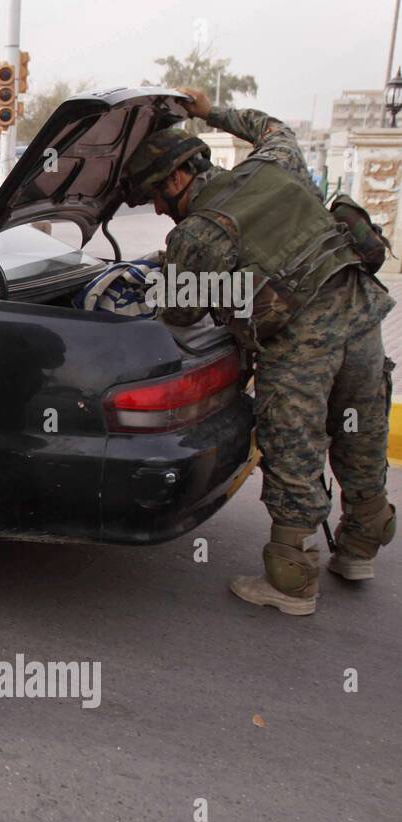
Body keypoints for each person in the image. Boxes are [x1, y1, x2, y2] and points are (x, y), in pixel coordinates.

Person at [124, 88, 395, 616]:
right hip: (361, 321)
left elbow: (178, 314)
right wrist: (208, 112)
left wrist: (163, 276)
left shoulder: (197, 235)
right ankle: (360, 548)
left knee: (293, 449)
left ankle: (292, 583)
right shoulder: (278, 163)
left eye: (155, 194)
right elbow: (270, 125)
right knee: (361, 431)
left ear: (178, 178)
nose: (157, 206)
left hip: (300, 347)